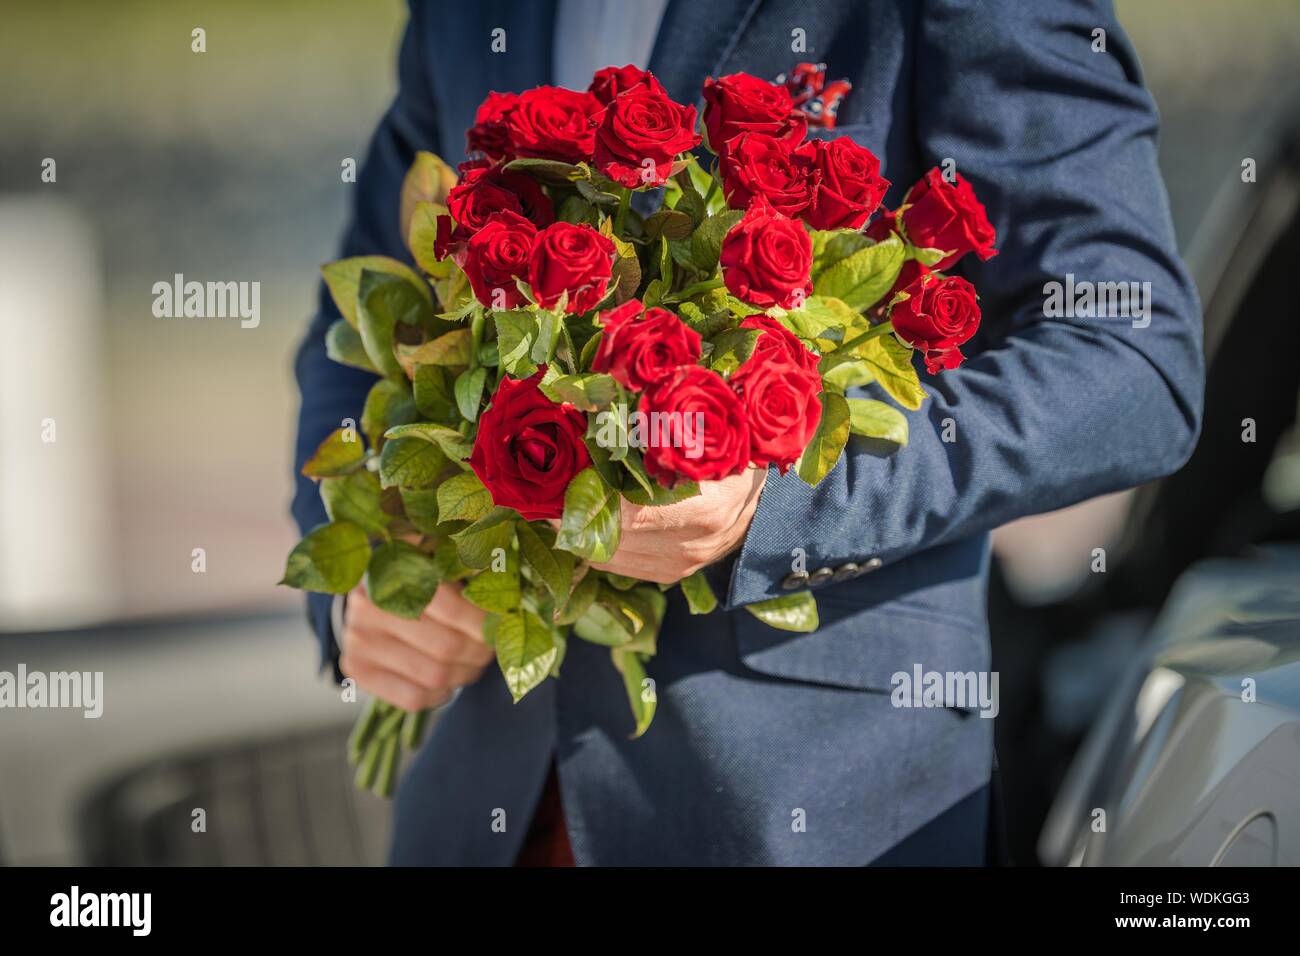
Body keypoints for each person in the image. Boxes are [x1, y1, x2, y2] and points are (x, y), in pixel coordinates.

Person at [292, 0, 1203, 865]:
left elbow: (1133, 356)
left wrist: (786, 501)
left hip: (805, 808)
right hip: (476, 799)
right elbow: (373, 303)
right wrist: (369, 569)